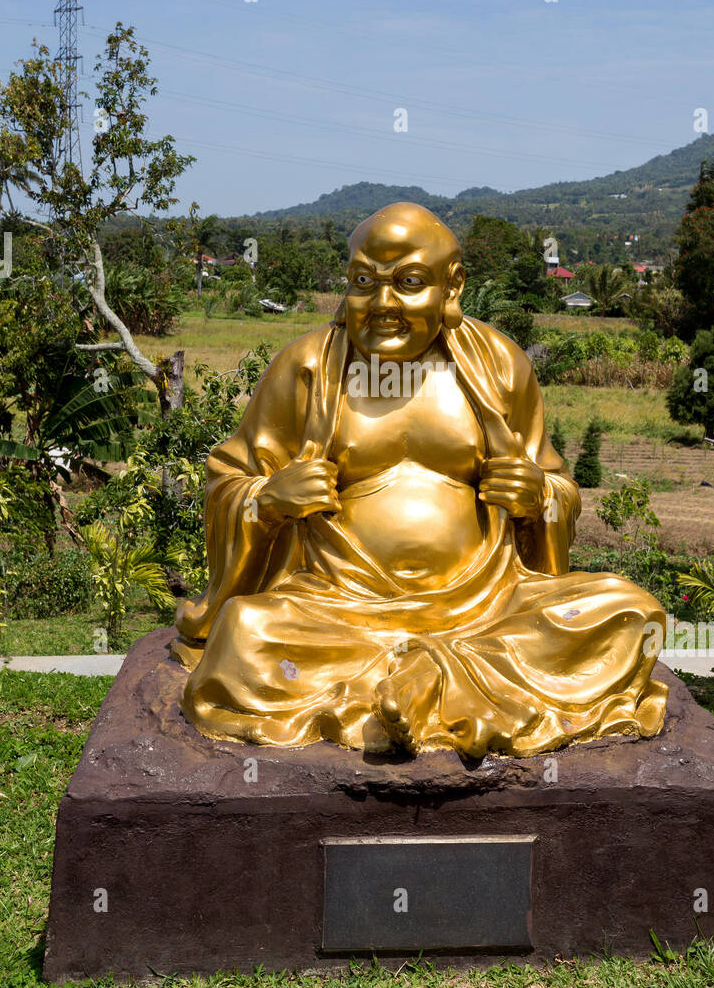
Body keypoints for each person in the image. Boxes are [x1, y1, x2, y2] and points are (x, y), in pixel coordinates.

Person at [174, 202, 667, 757]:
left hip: (488, 604)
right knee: (245, 632)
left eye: (407, 283)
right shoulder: (307, 367)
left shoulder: (500, 367)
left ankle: (420, 679)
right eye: (364, 282)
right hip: (337, 607)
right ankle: (438, 685)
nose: (382, 304)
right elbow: (229, 479)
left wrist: (538, 497)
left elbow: (556, 488)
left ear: (451, 288)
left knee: (628, 611)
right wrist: (267, 500)